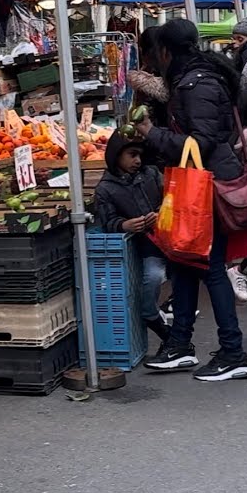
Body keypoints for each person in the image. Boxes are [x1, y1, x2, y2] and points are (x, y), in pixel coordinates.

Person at [134, 18, 247, 382]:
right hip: (199, 183)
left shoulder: (197, 83)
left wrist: (151, 133)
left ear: (165, 51)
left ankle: (234, 353)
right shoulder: (198, 77)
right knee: (184, 263)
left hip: (206, 186)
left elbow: (200, 142)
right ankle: (180, 345)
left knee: (211, 268)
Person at [93, 135, 170, 342]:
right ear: (116, 155)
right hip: (147, 246)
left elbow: (170, 196)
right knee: (152, 278)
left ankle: (173, 333)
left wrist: (161, 211)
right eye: (132, 155)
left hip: (170, 239)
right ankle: (158, 324)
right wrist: (124, 225)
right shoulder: (105, 188)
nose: (137, 161)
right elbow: (107, 221)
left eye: (140, 156)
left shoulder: (151, 174)